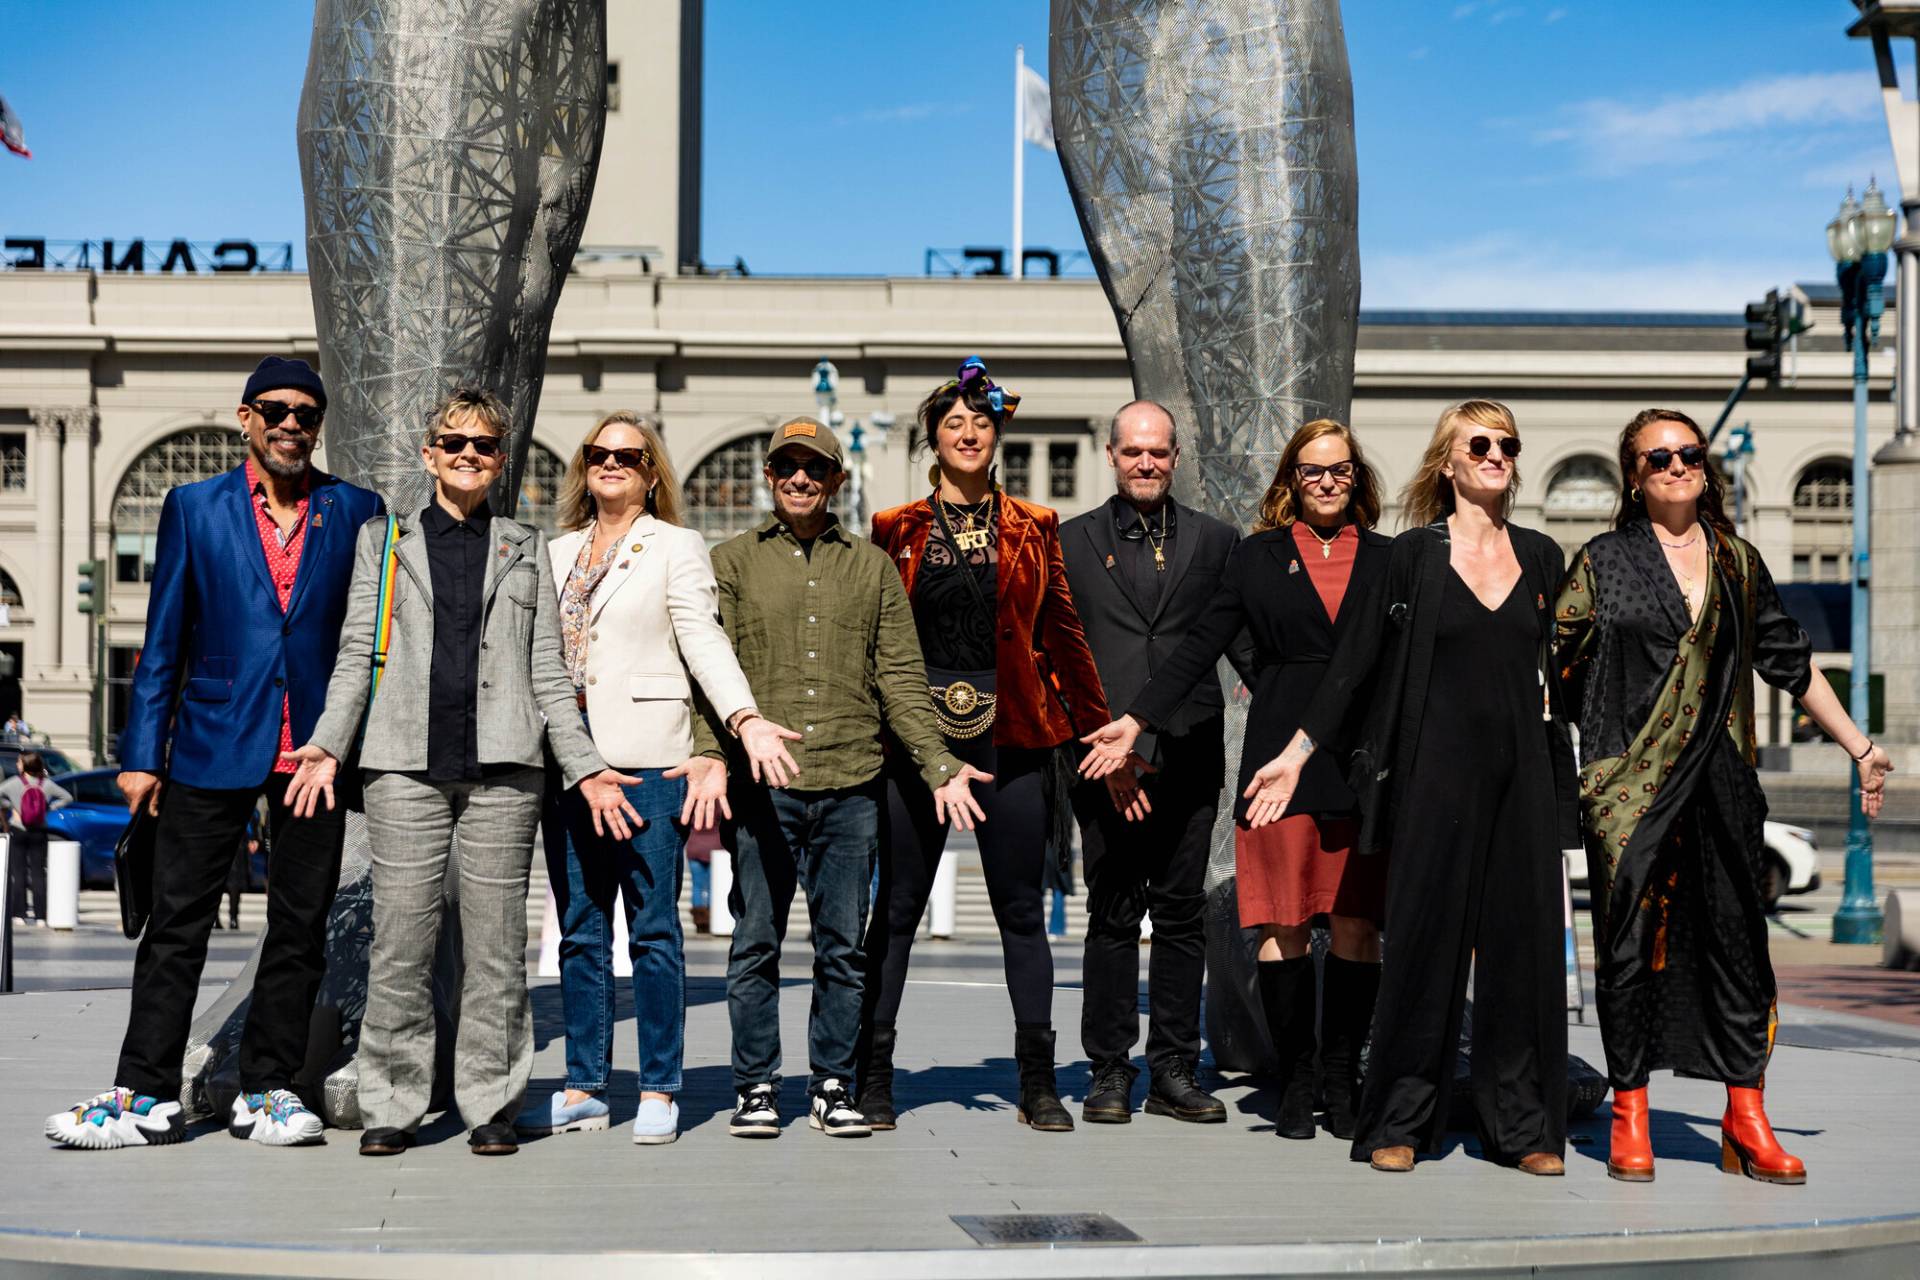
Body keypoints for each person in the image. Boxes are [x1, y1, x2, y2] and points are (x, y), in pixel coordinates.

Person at [285, 387, 639, 1158]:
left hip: (505, 773)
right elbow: (355, 656)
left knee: (495, 951)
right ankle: (392, 1102)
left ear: (500, 460)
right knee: (400, 946)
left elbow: (548, 671)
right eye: (454, 443)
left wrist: (586, 768)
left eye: (483, 446)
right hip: (401, 768)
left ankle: (490, 1103)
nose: (468, 456)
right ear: (428, 453)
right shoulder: (384, 541)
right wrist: (326, 744)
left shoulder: (524, 547)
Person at [44, 356, 384, 1150]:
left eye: (305, 412)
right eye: (275, 410)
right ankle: (145, 1094)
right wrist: (141, 755)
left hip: (313, 756)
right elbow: (163, 639)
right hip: (211, 740)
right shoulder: (195, 508)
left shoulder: (357, 509)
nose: (291, 424)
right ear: (246, 418)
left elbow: (366, 643)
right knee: (176, 925)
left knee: (300, 926)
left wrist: (344, 742)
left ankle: (268, 1090)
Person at [1236, 399, 1578, 1176]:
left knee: (1522, 957)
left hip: (1521, 778)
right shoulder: (1411, 558)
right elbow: (1352, 666)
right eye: (1480, 444)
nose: (1497, 455)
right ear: (1448, 462)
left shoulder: (1543, 556)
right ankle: (1398, 1118)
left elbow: (1566, 682)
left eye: (1508, 445)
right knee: (1422, 951)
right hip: (1431, 777)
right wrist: (1295, 754)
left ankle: (1523, 1127)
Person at [1554, 408, 1895, 1185]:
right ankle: (1631, 1113)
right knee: (1629, 952)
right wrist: (1595, 753)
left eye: (1689, 454)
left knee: (1741, 950)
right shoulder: (1603, 561)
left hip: (1723, 784)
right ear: (1634, 479)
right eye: (1658, 458)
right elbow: (1552, 661)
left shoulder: (1738, 561)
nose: (1677, 466)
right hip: (1631, 792)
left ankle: (1746, 1118)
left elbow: (1790, 662)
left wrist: (1861, 749)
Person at [1081, 417, 1390, 1140]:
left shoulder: (1389, 558)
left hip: (1361, 760)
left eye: (1339, 470)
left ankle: (1342, 1079)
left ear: (1357, 477)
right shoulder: (1255, 558)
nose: (1326, 483)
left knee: (1355, 923)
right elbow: (1198, 648)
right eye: (1312, 471)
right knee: (1282, 920)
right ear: (1291, 479)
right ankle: (1297, 1077)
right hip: (1277, 758)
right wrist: (1137, 721)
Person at [692, 416, 986, 1140]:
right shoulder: (728, 562)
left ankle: (832, 1083)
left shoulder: (871, 567)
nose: (800, 478)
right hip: (765, 790)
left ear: (836, 481)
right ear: (768, 476)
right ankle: (756, 1084)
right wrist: (709, 755)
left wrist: (938, 764)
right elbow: (706, 673)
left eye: (814, 468)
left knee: (843, 947)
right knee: (755, 942)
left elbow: (901, 679)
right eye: (787, 466)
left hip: (852, 782)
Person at [519, 410, 794, 1146]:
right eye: (599, 453)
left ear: (650, 471)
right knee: (579, 932)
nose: (613, 463)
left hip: (648, 761)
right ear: (585, 466)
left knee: (653, 931)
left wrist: (743, 719)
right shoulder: (554, 552)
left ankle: (661, 1087)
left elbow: (703, 639)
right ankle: (582, 1084)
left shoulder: (675, 545)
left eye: (629, 455)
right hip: (573, 764)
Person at [860, 358, 1111, 1134]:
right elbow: (875, 640)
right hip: (916, 745)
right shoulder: (893, 527)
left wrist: (1098, 722)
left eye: (981, 423)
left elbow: (1063, 631)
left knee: (1020, 913)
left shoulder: (1036, 526)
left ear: (997, 435)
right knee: (895, 912)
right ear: (934, 440)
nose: (968, 434)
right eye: (953, 425)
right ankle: (873, 1075)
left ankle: (1038, 1081)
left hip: (1015, 741)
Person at [1058, 400, 1252, 1126]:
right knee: (1111, 915)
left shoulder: (1216, 541)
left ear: (1176, 457)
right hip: (1102, 763)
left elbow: (1235, 644)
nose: (1146, 462)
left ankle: (1174, 1068)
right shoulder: (1070, 542)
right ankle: (1109, 1070)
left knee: (1180, 917)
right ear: (1110, 455)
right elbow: (1061, 663)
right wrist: (1112, 756)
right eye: (1133, 451)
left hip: (1191, 755)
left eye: (1159, 452)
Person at [4, 751, 71, 927]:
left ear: (25, 765)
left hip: (18, 829)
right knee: (38, 873)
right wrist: (47, 808)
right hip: (39, 830)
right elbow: (67, 797)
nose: (17, 765)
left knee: (18, 872)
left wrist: (11, 806)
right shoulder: (47, 784)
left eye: (19, 762)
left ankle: (19, 914)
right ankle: (41, 915)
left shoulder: (13, 783)